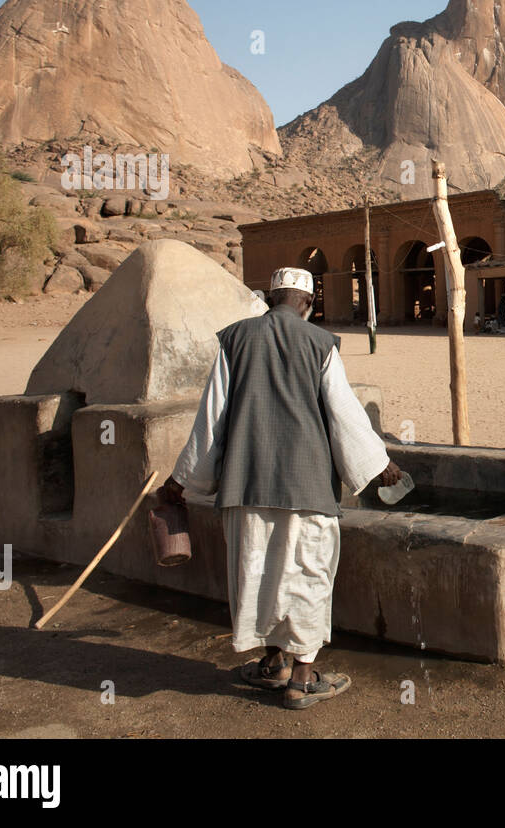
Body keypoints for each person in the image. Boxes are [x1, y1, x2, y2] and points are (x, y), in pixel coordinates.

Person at [156, 267, 402, 710]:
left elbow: (211, 418)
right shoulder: (321, 343)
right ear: (308, 304)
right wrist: (378, 465)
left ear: (270, 299)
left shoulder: (235, 339)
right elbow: (343, 413)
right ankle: (302, 679)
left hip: (245, 488)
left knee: (260, 576)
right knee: (307, 577)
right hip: (306, 489)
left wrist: (182, 480)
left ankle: (273, 666)